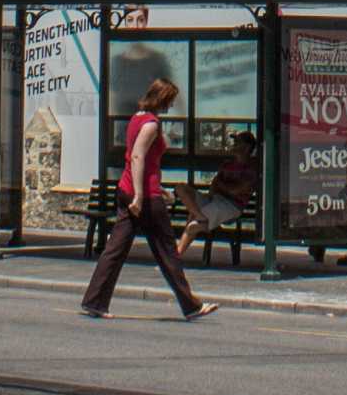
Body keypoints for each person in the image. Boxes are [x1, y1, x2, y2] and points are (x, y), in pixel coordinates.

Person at [79, 79, 214, 322]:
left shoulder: (136, 118)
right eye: (169, 101)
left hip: (130, 188)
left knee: (115, 248)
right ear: (162, 99)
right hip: (143, 196)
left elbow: (141, 158)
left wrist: (156, 188)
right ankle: (191, 305)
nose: (170, 106)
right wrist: (141, 195)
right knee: (167, 252)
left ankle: (95, 301)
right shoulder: (151, 124)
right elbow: (138, 157)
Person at [177, 132, 262, 262]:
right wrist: (220, 188)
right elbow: (214, 185)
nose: (234, 144)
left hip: (231, 206)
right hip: (214, 199)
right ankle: (199, 215)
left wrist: (221, 184)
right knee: (181, 188)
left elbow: (236, 190)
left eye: (238, 142)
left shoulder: (251, 168)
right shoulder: (226, 164)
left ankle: (174, 258)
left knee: (192, 226)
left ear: (246, 147)